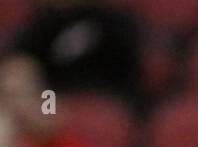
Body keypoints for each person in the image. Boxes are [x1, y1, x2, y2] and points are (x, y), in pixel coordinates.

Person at [7, 0, 143, 104]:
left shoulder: (114, 25)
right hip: (51, 101)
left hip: (103, 103)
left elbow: (128, 81)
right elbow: (20, 67)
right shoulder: (38, 29)